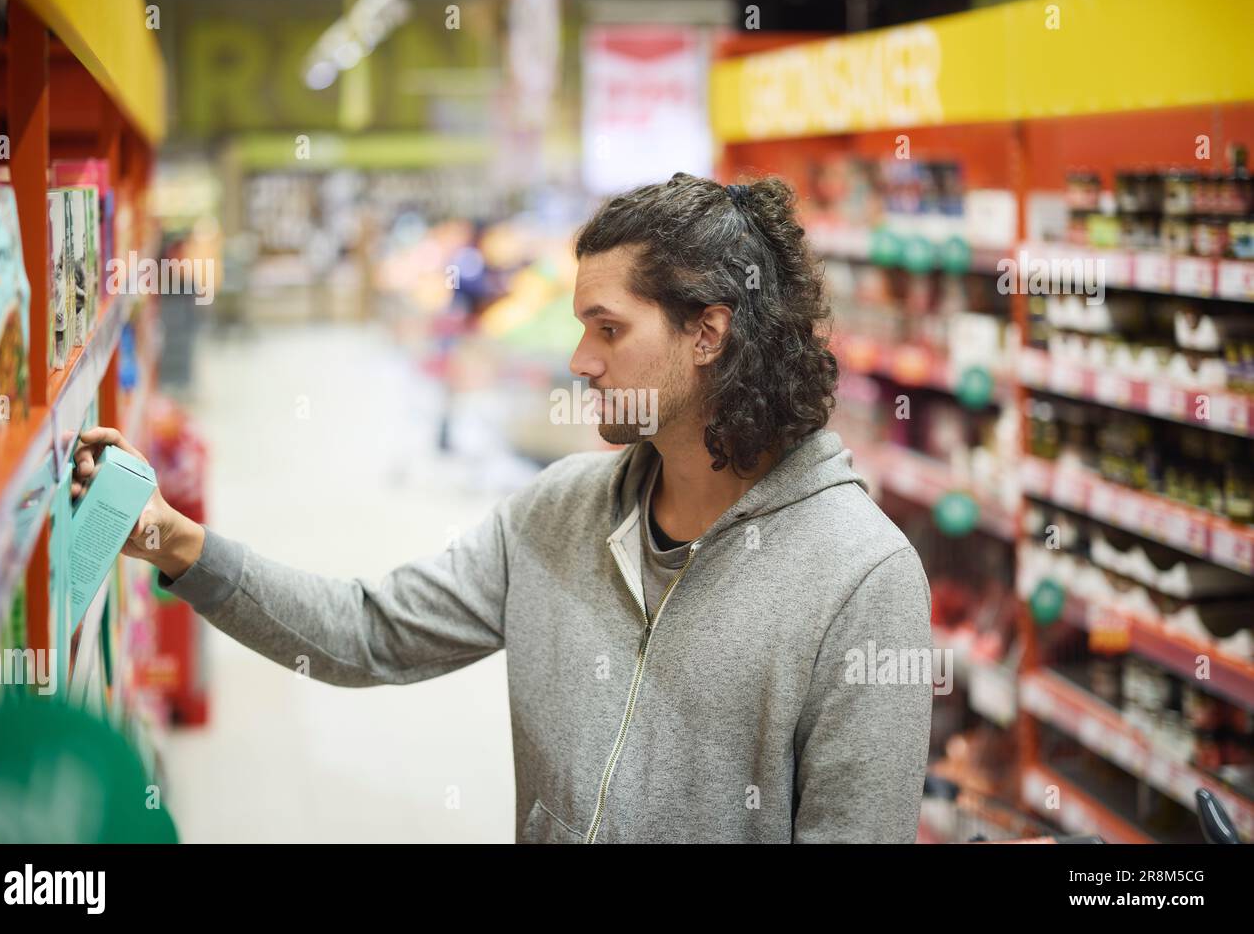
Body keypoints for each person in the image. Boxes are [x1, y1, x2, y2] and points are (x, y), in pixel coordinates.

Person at [74, 173, 934, 844]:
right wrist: (176, 541)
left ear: (706, 334)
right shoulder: (558, 513)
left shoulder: (861, 578)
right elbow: (366, 631)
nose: (579, 360)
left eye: (607, 328)